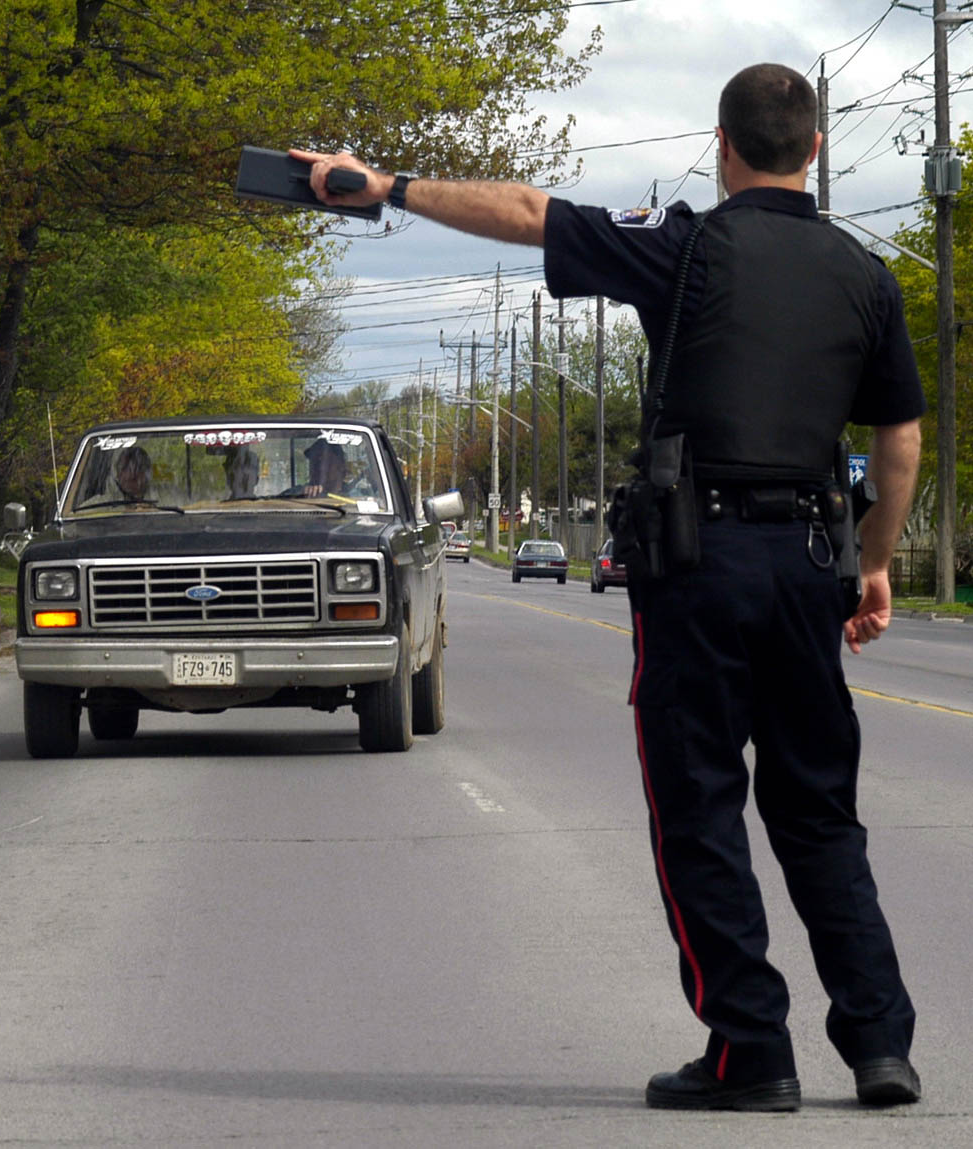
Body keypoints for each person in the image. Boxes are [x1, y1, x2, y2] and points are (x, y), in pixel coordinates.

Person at [294, 61, 924, 1113]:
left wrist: (386, 188)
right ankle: (878, 1047)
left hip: (698, 564)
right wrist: (872, 559)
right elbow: (896, 436)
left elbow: (530, 213)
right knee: (819, 816)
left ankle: (749, 1056)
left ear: (721, 146)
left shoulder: (682, 245)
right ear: (814, 148)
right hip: (809, 563)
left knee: (700, 810)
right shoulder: (867, 275)